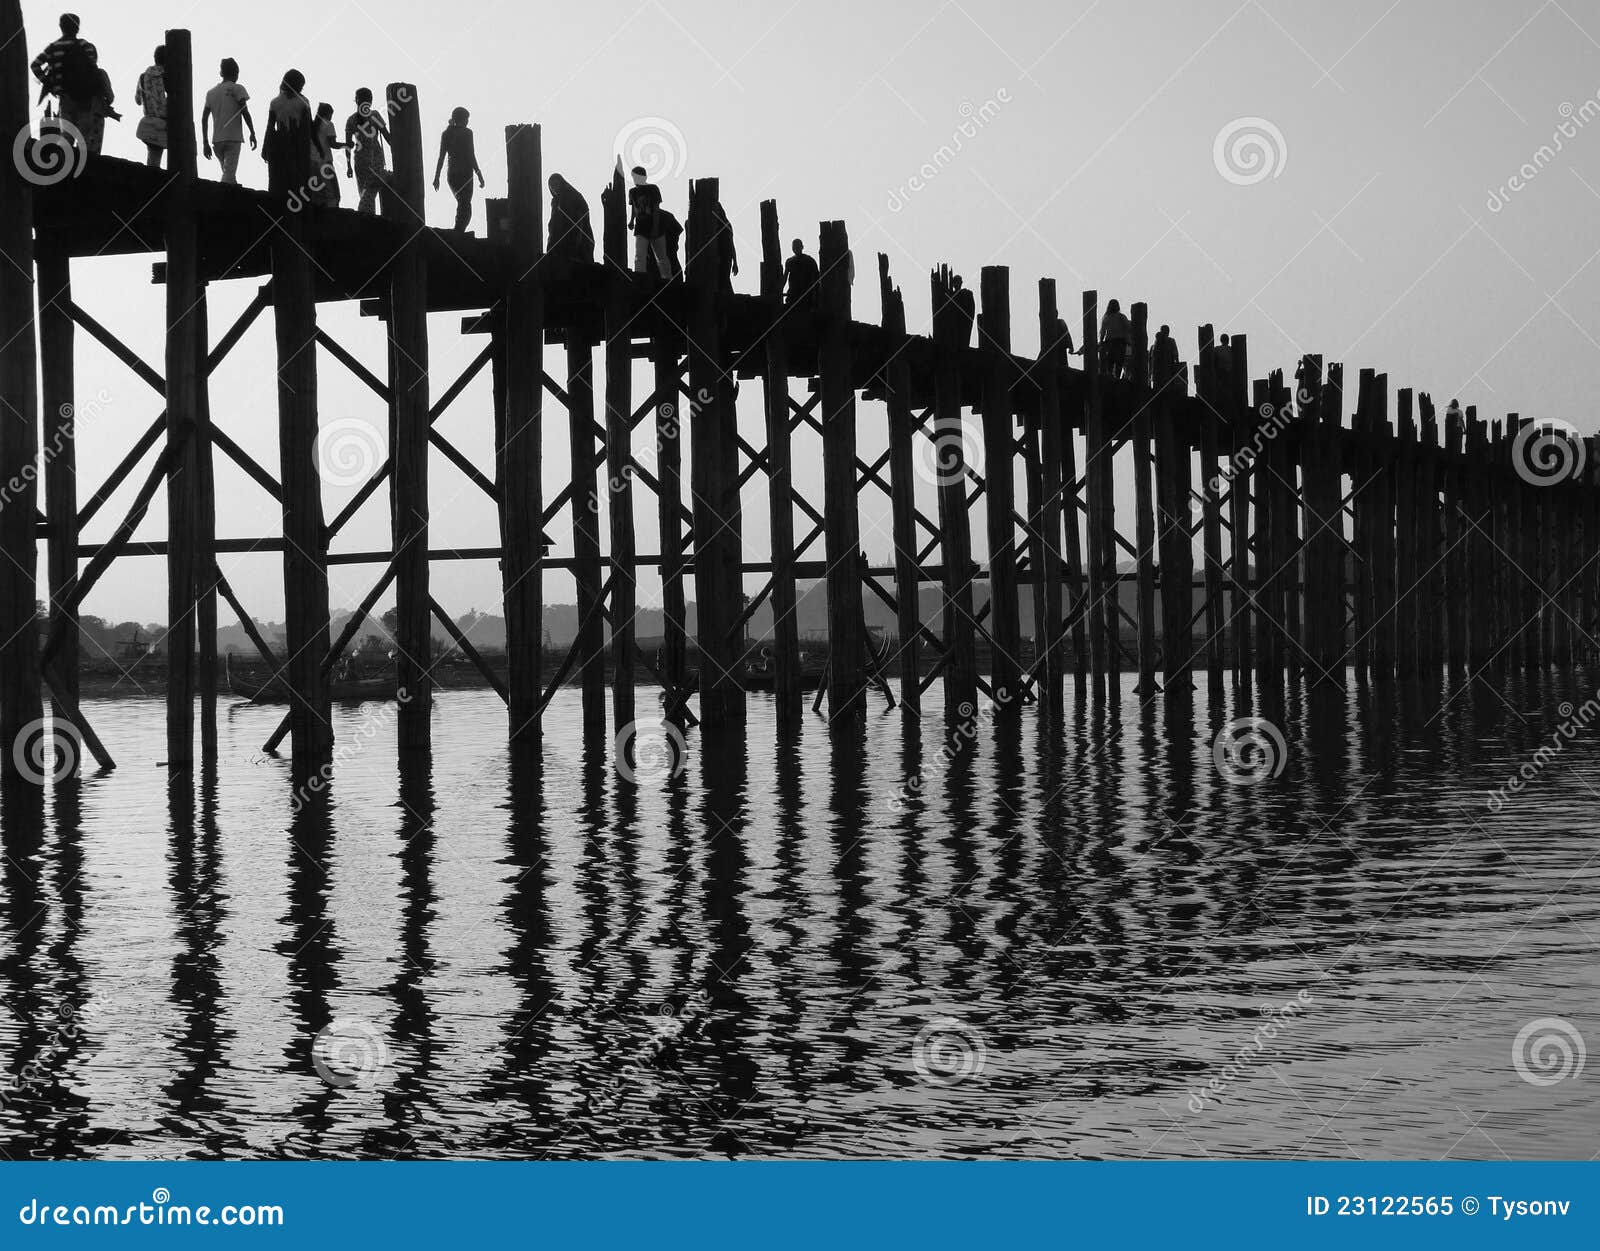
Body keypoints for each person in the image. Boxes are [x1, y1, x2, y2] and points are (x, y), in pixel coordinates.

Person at [31, 13, 104, 155]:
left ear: (60, 27)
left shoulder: (53, 47)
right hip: (85, 97)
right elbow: (93, 68)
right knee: (84, 133)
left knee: (67, 132)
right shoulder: (85, 46)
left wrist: (50, 83)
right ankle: (86, 162)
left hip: (65, 96)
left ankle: (64, 159)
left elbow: (35, 65)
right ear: (78, 28)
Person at [202, 58, 256, 185]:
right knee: (228, 176)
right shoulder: (237, 88)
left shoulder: (211, 93)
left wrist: (205, 142)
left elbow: (204, 118)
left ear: (222, 73)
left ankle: (234, 193)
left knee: (229, 174)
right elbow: (245, 112)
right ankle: (220, 196)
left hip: (217, 141)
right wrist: (252, 132)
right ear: (236, 73)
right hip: (233, 139)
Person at [433, 107, 484, 233]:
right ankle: (458, 232)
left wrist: (437, 177)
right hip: (465, 174)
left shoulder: (446, 134)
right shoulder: (467, 133)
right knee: (465, 205)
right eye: (467, 119)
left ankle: (458, 231)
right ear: (463, 119)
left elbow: (441, 157)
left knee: (462, 204)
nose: (468, 121)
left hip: (452, 175)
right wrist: (479, 174)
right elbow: (471, 156)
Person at [261, 69, 311, 194]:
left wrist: (265, 147)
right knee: (296, 185)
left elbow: (270, 127)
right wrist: (306, 153)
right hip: (296, 147)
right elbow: (307, 129)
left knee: (277, 185)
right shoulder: (303, 103)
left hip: (278, 146)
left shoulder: (275, 102)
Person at [345, 88, 391, 214]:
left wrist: (349, 166)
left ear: (356, 101)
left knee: (365, 193)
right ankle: (364, 215)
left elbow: (348, 146)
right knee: (370, 193)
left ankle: (365, 216)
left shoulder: (351, 120)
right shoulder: (375, 115)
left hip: (360, 161)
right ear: (370, 101)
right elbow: (388, 137)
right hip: (375, 158)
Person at [628, 166, 668, 276]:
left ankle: (667, 279)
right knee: (639, 256)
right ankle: (639, 277)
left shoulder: (653, 189)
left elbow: (656, 208)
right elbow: (634, 207)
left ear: (644, 177)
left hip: (655, 226)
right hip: (640, 227)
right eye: (633, 177)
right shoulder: (632, 192)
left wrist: (655, 227)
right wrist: (631, 220)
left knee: (661, 257)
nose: (635, 179)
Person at [547, 173, 594, 261]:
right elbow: (553, 225)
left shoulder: (573, 196)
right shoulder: (556, 202)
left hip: (576, 243)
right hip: (560, 246)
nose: (554, 188)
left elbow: (579, 221)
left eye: (556, 184)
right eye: (551, 186)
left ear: (561, 183)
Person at [133, 47, 167, 167]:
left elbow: (138, 100)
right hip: (162, 124)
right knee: (156, 160)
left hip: (147, 123)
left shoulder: (143, 76)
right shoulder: (167, 76)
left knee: (152, 158)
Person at [312, 103, 341, 206]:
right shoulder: (328, 124)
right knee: (333, 194)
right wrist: (346, 145)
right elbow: (332, 144)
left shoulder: (313, 126)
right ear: (328, 113)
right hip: (325, 162)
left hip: (312, 163)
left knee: (318, 194)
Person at [711, 200, 738, 299]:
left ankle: (729, 298)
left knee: (723, 279)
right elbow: (731, 244)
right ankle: (729, 298)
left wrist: (735, 262)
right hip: (723, 256)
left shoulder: (723, 225)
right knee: (723, 280)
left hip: (724, 256)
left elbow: (731, 244)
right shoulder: (723, 224)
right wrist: (735, 262)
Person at [1099, 298, 1131, 380]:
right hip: (1120, 341)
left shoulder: (1106, 318)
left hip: (1110, 341)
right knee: (1119, 361)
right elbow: (1128, 328)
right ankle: (1117, 378)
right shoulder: (1121, 317)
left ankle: (1110, 377)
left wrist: (1101, 341)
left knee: (1110, 361)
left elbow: (1103, 332)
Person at [783, 238, 819, 309]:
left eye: (797, 246)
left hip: (806, 295)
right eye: (794, 247)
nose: (796, 249)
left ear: (802, 247)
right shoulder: (789, 261)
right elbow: (784, 278)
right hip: (793, 294)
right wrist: (779, 290)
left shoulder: (809, 260)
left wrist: (816, 296)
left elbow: (816, 279)